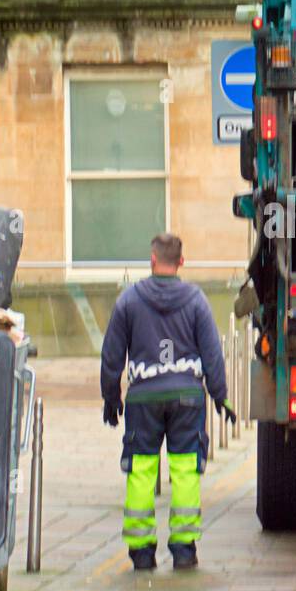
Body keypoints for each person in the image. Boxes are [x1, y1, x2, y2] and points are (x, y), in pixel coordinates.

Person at [101, 233, 233, 571]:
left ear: (152, 261)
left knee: (142, 469)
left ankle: (142, 551)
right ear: (182, 263)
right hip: (187, 396)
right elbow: (212, 353)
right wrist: (219, 395)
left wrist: (111, 398)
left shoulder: (129, 301)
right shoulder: (196, 301)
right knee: (186, 468)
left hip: (143, 396)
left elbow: (112, 354)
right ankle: (184, 547)